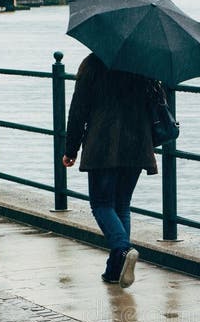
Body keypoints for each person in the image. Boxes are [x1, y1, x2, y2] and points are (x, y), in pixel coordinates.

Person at [63, 53, 158, 288]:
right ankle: (115, 270)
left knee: (101, 205)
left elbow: (78, 111)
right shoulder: (144, 64)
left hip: (103, 145)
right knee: (121, 204)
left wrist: (70, 149)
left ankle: (124, 250)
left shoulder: (92, 65)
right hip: (137, 145)